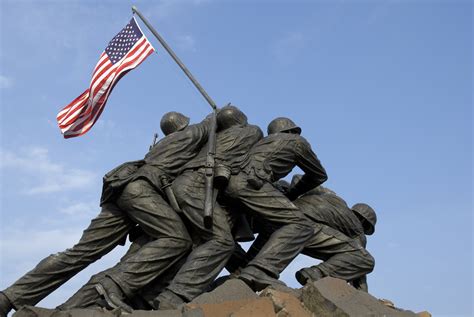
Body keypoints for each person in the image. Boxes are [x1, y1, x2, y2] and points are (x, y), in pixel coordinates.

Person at [0, 111, 213, 316]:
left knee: (80, 253)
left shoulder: (159, 146)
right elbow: (212, 121)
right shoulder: (190, 134)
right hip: (141, 192)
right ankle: (112, 285)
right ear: (183, 125)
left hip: (123, 190)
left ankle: (8, 298)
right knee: (177, 239)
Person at [153, 105, 264, 309]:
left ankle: (158, 292)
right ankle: (174, 296)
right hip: (197, 187)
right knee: (221, 242)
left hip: (183, 186)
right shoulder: (252, 131)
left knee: (204, 241)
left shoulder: (203, 143)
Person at [223, 117, 328, 291]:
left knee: (268, 227)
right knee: (301, 225)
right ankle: (259, 271)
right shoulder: (296, 142)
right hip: (251, 183)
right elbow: (318, 175)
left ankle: (243, 269)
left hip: (227, 183)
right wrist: (293, 194)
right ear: (292, 131)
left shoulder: (260, 143)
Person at [229, 176, 376, 292]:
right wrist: (363, 295)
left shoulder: (330, 196)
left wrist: (290, 199)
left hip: (283, 215)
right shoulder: (358, 231)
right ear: (365, 223)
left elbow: (298, 179)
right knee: (364, 259)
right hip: (305, 226)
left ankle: (226, 285)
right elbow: (359, 269)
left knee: (247, 268)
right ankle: (315, 274)